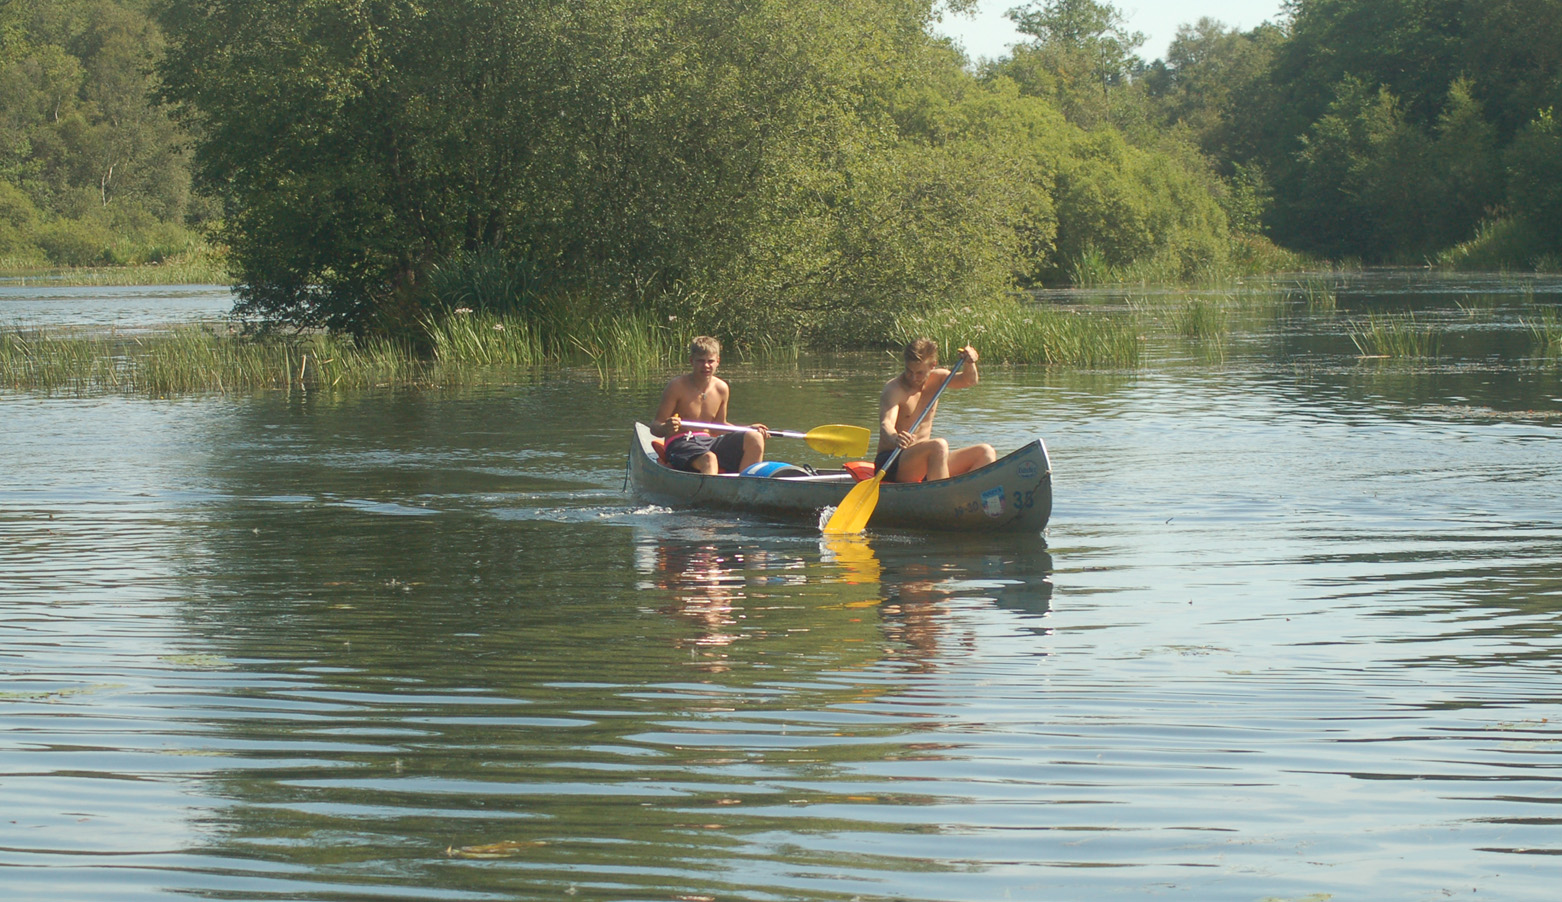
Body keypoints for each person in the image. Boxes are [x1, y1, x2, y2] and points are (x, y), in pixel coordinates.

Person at [874, 338, 996, 483]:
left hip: (924, 460)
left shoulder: (938, 378)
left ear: (933, 365)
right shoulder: (894, 389)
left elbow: (969, 381)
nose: (913, 377)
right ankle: (944, 498)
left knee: (985, 452)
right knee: (938, 445)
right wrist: (896, 438)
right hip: (892, 460)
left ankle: (969, 497)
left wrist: (970, 363)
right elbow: (886, 424)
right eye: (909, 371)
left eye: (919, 373)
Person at [651, 336, 768, 474]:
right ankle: (710, 495)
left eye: (710, 361)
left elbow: (719, 427)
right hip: (681, 443)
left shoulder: (721, 388)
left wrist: (747, 429)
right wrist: (666, 427)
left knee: (755, 437)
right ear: (691, 361)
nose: (706, 366)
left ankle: (746, 489)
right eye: (701, 361)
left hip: (708, 442)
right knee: (710, 459)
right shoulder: (676, 386)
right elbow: (655, 427)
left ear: (718, 361)